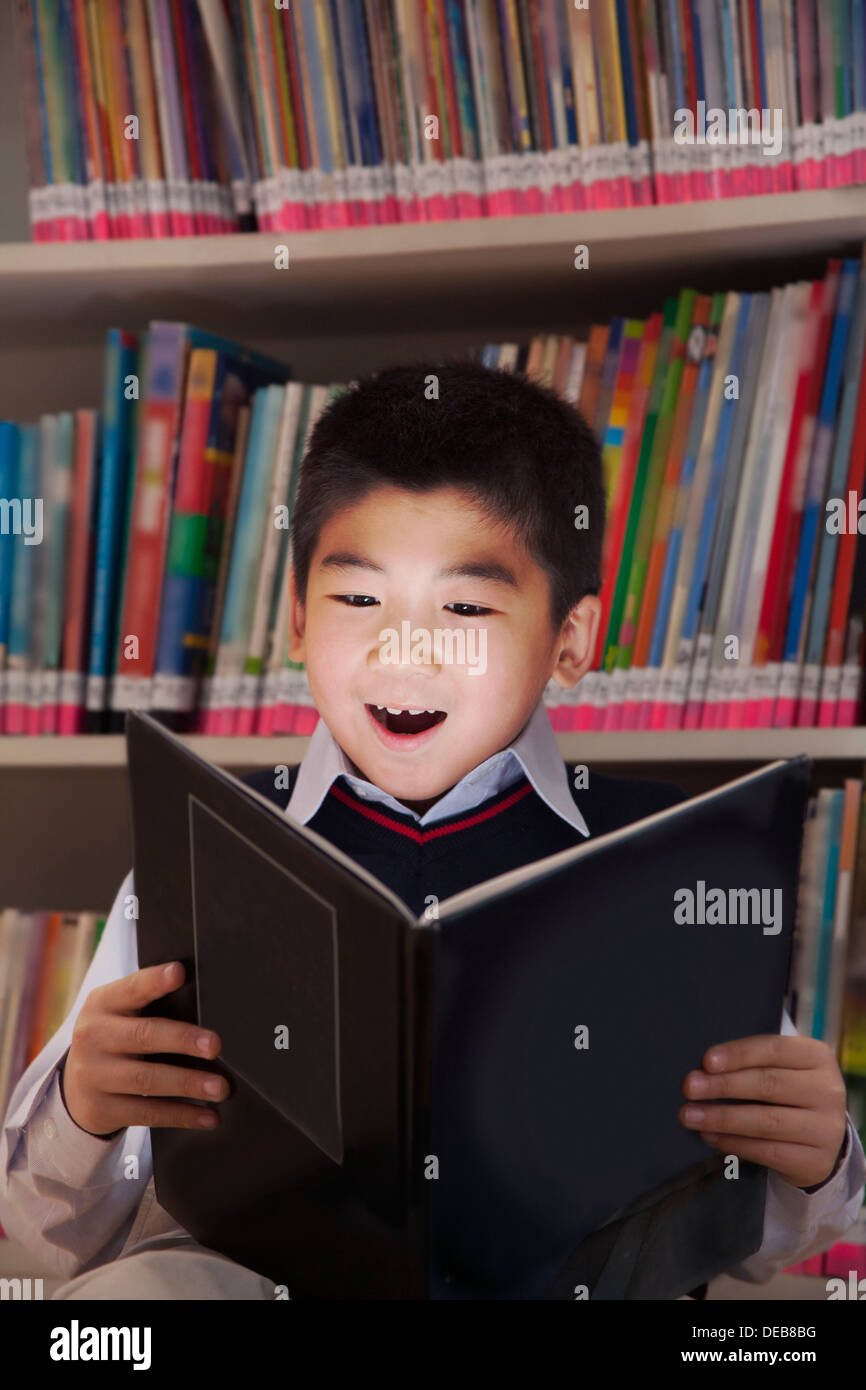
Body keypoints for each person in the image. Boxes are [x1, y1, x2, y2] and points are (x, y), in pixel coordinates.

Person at [1, 360, 863, 1299]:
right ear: (295, 619)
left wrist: (814, 1157)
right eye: (359, 599)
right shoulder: (202, 855)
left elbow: (758, 1234)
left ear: (570, 641)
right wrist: (85, 1111)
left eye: (465, 608)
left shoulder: (670, 860)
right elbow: (51, 1238)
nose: (403, 649)